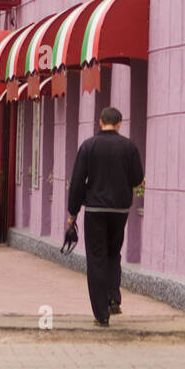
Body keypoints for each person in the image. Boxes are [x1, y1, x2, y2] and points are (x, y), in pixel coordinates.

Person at [67, 106, 143, 327]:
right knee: (113, 253)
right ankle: (113, 297)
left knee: (96, 257)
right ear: (119, 123)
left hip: (95, 211)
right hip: (120, 210)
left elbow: (78, 182)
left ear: (100, 122)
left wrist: (73, 212)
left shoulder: (89, 146)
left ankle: (101, 314)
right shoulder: (129, 147)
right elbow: (138, 178)